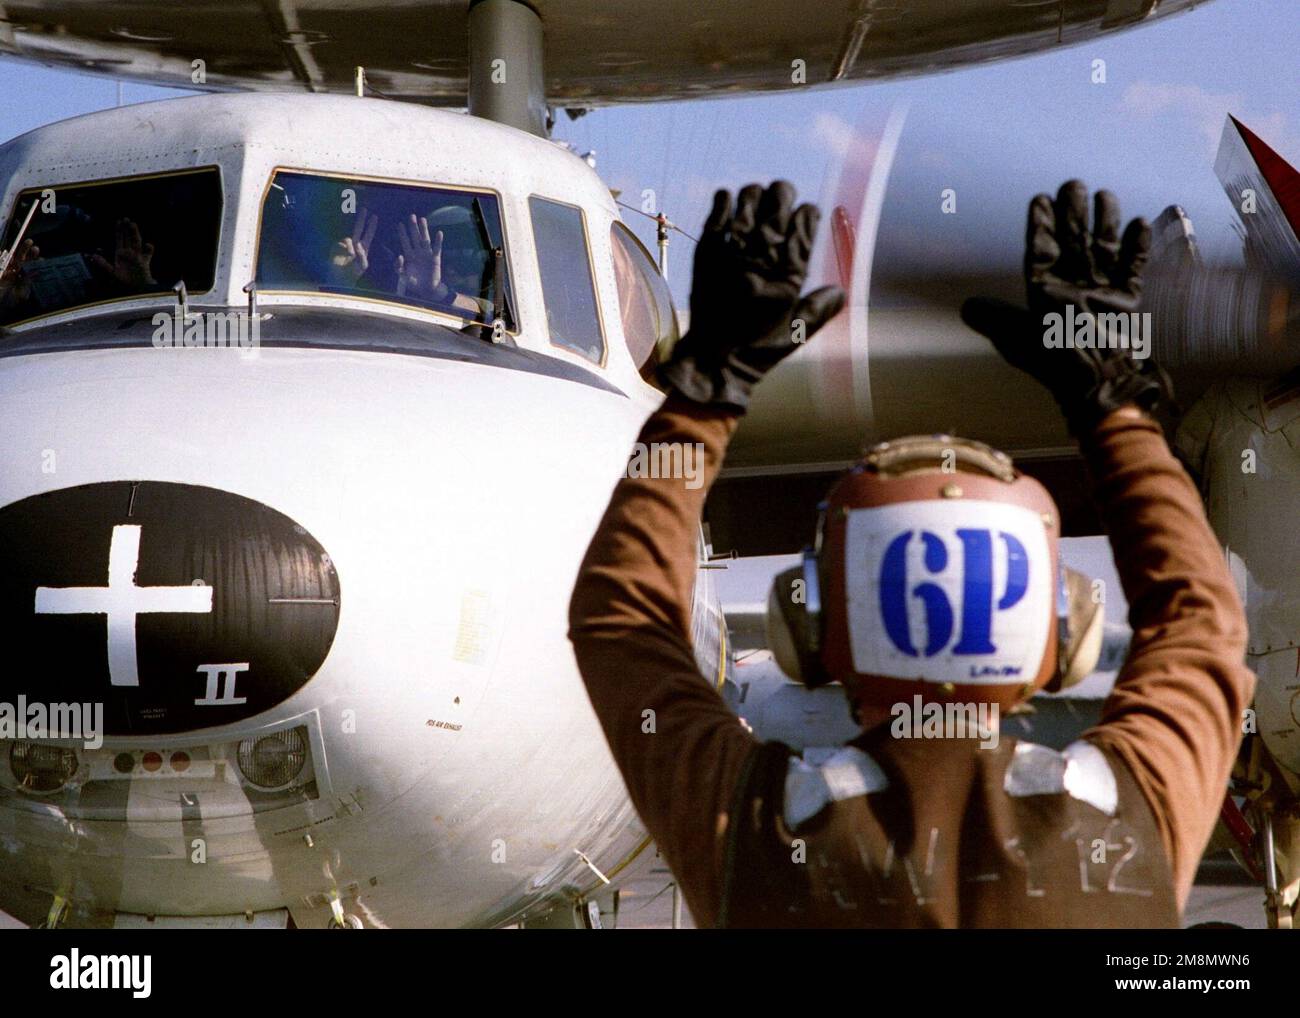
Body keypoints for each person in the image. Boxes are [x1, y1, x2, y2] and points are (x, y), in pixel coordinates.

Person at [567, 178, 1256, 927]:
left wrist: (703, 395)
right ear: (1064, 630)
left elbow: (618, 616)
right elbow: (1205, 631)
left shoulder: (761, 831)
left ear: (811, 630)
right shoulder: (1129, 814)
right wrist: (1113, 405)